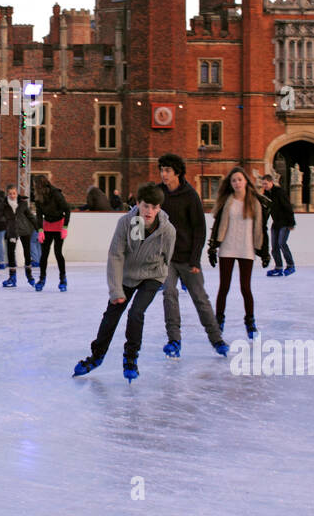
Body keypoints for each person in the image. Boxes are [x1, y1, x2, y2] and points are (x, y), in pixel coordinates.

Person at [73, 182, 216, 383]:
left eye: (154, 207)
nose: (149, 211)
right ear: (138, 204)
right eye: (146, 206)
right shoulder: (129, 223)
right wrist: (116, 290)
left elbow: (167, 257)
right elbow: (117, 255)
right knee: (112, 314)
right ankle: (96, 357)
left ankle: (130, 359)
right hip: (129, 276)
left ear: (159, 208)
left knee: (136, 313)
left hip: (152, 275)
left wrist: (165, 278)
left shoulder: (168, 231)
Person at [156, 154, 226, 359]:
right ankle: (174, 340)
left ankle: (216, 339)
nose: (164, 174)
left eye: (167, 170)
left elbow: (199, 229)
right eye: (162, 170)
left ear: (177, 172)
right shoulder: (159, 193)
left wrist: (195, 259)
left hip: (187, 258)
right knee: (169, 294)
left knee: (200, 298)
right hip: (166, 258)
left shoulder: (190, 195)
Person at [207, 166, 264, 339]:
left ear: (246, 181)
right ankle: (219, 320)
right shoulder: (227, 201)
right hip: (227, 247)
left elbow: (260, 227)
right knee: (224, 287)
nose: (237, 183)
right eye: (233, 180)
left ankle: (250, 321)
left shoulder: (254, 202)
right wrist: (212, 246)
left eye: (239, 179)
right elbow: (218, 225)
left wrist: (263, 250)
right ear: (230, 184)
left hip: (246, 248)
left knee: (245, 288)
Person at [33, 177, 71, 291]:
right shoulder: (38, 198)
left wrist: (65, 227)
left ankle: (63, 279)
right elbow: (39, 215)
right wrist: (40, 230)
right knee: (44, 254)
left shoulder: (56, 194)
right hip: (47, 226)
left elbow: (67, 210)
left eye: (35, 185)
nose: (34, 188)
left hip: (59, 224)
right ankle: (42, 278)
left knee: (58, 252)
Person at [1, 183, 38, 288]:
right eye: (10, 194)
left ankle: (29, 275)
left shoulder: (23, 203)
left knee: (27, 252)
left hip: (24, 230)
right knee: (10, 252)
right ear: (7, 194)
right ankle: (12, 277)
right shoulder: (4, 204)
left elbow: (30, 216)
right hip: (12, 230)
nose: (12, 195)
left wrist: (39, 229)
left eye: (14, 193)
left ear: (17, 193)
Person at [261, 173, 296, 276]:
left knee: (282, 243)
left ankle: (290, 265)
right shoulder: (266, 194)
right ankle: (278, 267)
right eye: (263, 184)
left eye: (266, 184)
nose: (264, 186)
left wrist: (291, 223)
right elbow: (266, 210)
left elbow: (288, 206)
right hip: (276, 223)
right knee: (274, 246)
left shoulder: (279, 192)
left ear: (271, 182)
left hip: (285, 222)